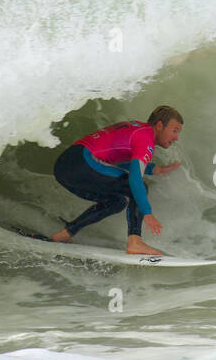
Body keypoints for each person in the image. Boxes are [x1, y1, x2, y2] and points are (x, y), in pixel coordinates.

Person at [48, 106, 183, 255]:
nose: (176, 137)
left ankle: (65, 233)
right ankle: (135, 242)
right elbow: (135, 180)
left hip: (66, 166)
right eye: (174, 131)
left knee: (116, 202)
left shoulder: (137, 128)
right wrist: (147, 212)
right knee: (139, 187)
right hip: (83, 161)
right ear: (159, 125)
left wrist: (155, 169)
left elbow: (113, 157)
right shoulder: (146, 138)